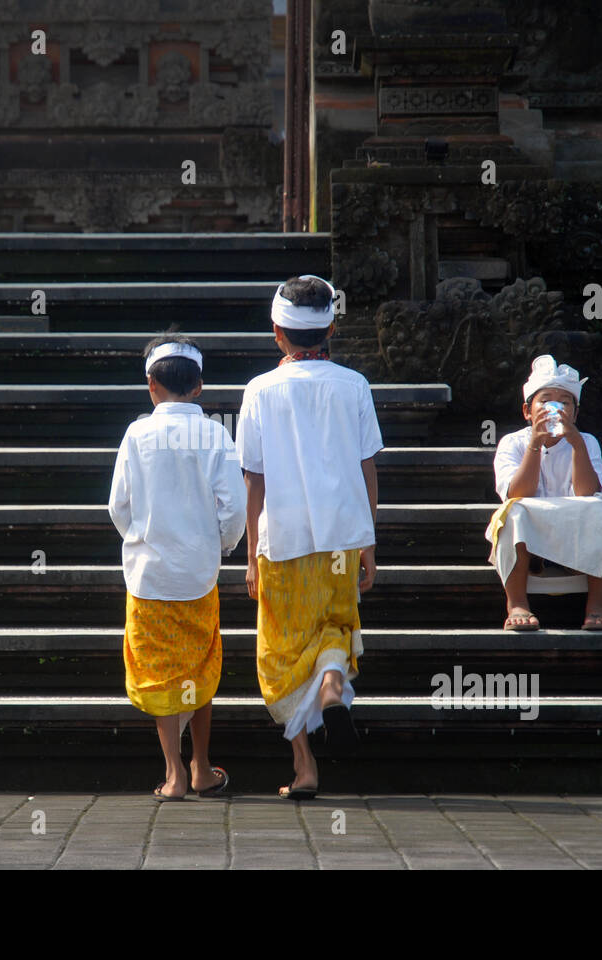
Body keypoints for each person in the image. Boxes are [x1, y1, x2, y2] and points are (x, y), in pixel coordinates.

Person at [234, 275, 382, 801]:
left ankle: (305, 766)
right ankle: (333, 684)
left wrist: (250, 554)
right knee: (334, 626)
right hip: (342, 535)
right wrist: (368, 541)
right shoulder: (354, 385)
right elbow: (367, 469)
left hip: (284, 540)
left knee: (279, 654)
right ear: (331, 329)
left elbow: (254, 479)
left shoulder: (258, 390)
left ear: (278, 333)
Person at [108, 333, 247, 800]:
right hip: (197, 575)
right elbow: (233, 510)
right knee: (199, 669)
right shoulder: (214, 433)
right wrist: (220, 547)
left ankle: (173, 775)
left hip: (148, 575)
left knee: (160, 670)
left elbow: (118, 506)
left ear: (151, 385)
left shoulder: (135, 433)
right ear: (199, 386)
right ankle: (202, 767)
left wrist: (142, 538)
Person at [485, 355, 602, 631]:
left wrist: (576, 443)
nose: (555, 407)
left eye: (564, 402)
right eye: (545, 400)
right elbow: (516, 493)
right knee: (512, 512)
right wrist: (535, 443)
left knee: (600, 507)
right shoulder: (512, 442)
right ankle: (517, 603)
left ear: (575, 412)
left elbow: (586, 493)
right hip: (530, 531)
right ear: (527, 411)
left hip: (574, 528)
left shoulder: (586, 441)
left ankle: (596, 607)